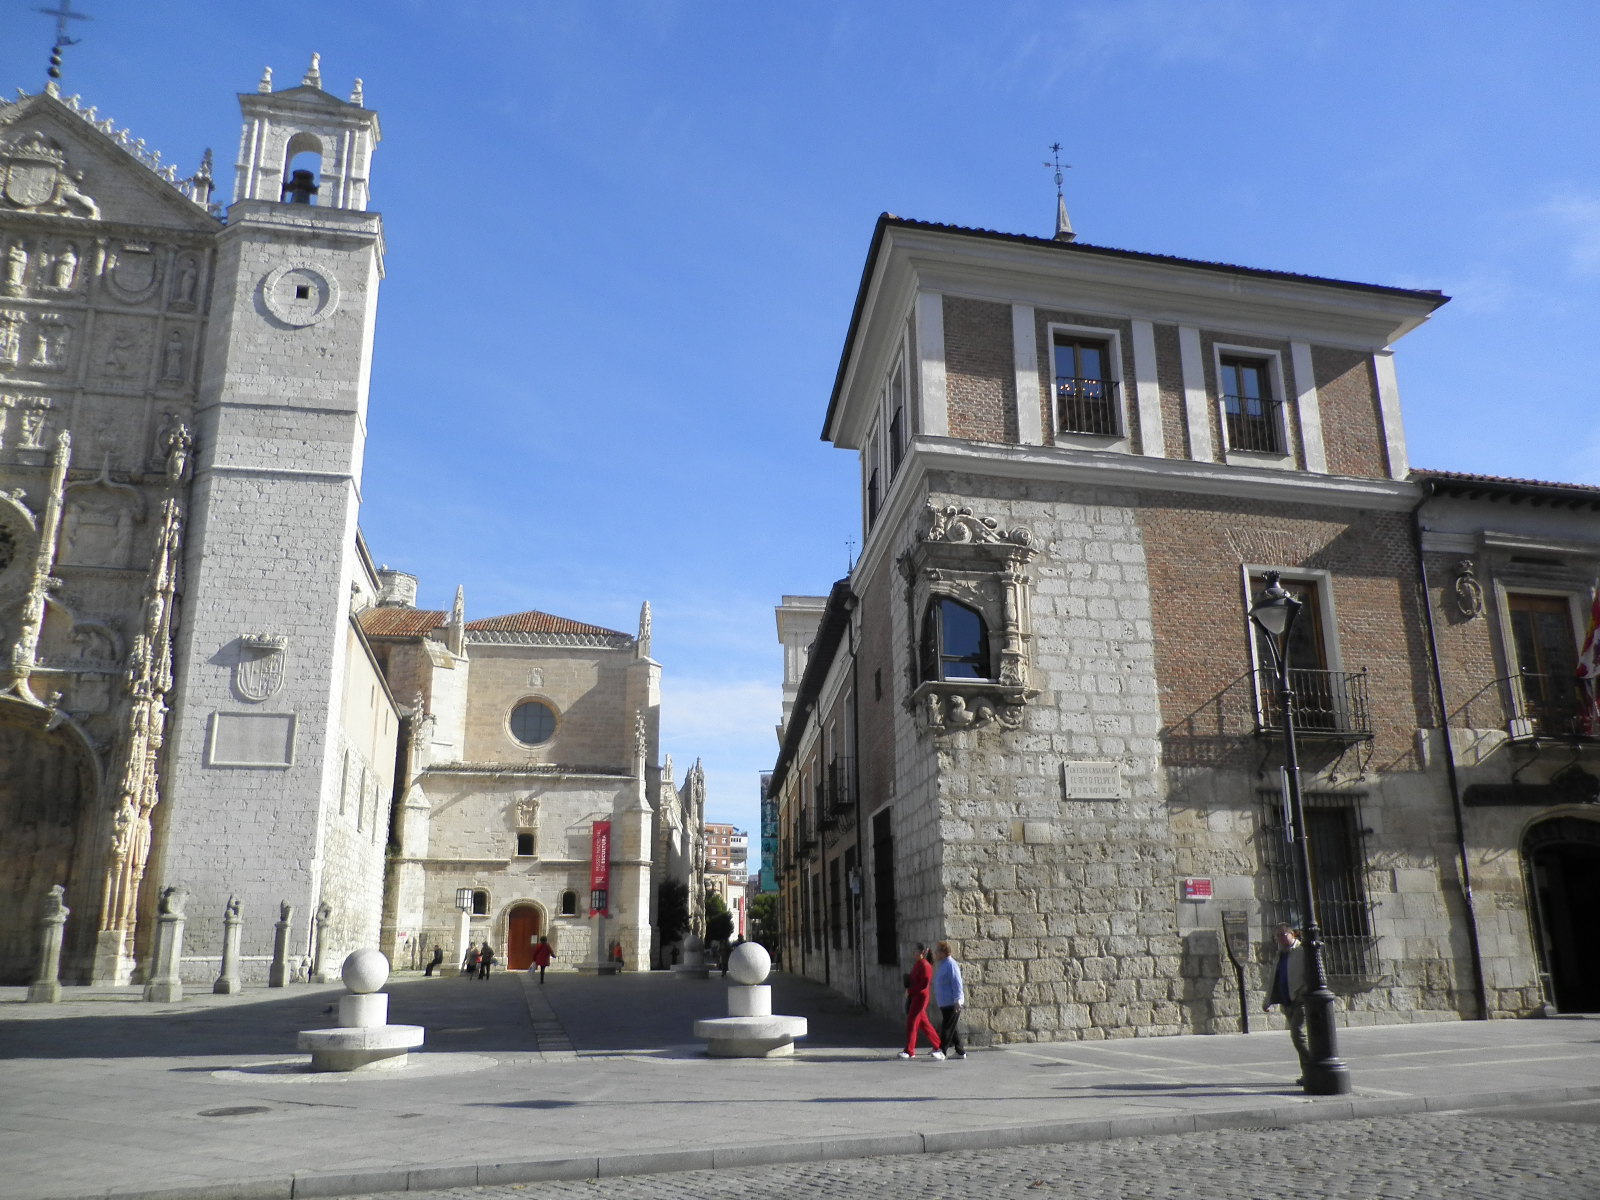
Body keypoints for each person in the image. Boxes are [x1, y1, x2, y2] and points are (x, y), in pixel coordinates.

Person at [1264, 923, 1312, 1083]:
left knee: (1298, 1035)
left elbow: (1312, 974)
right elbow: (1274, 979)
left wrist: (1304, 992)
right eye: (1278, 935)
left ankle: (1314, 1068)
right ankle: (1307, 1073)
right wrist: (1268, 1000)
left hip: (1301, 1001)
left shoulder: (1302, 951)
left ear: (1293, 934)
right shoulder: (1280, 955)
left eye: (1284, 933)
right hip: (1288, 1002)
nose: (1282, 937)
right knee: (1297, 1038)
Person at [900, 943, 942, 1060]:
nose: (913, 953)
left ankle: (910, 1050)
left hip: (920, 997)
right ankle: (938, 1045)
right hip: (916, 996)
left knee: (912, 1022)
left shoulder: (925, 966)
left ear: (922, 952)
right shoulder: (918, 964)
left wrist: (910, 991)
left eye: (915, 951)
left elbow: (924, 985)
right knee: (924, 1023)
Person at [931, 940, 967, 1060]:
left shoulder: (951, 965)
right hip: (945, 1003)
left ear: (943, 952)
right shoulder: (943, 964)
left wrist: (958, 1000)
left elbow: (957, 983)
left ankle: (942, 1051)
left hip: (952, 1003)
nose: (935, 953)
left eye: (937, 951)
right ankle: (960, 1051)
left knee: (946, 1027)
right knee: (952, 1028)